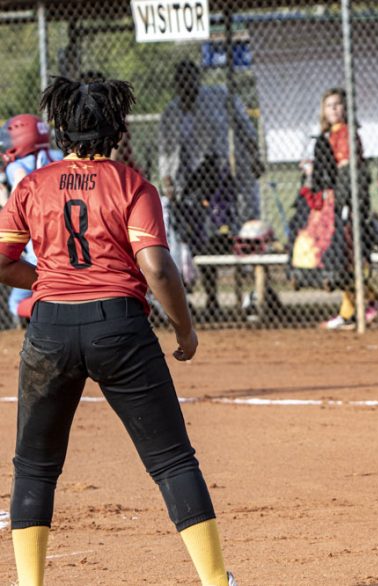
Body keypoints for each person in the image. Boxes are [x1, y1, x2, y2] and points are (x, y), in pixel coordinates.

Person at [0, 76, 236, 585]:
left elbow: (2, 261)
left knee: (35, 467)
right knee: (173, 460)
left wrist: (47, 280)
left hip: (50, 329)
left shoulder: (31, 185)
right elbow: (156, 267)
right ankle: (217, 581)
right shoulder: (132, 183)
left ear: (62, 128)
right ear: (117, 128)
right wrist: (185, 331)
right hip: (119, 325)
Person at [158, 59, 261, 318]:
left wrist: (253, 150)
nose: (187, 86)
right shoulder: (172, 112)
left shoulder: (217, 97)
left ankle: (245, 294)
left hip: (218, 176)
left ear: (198, 80)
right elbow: (165, 150)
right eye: (182, 82)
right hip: (189, 183)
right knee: (194, 238)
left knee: (222, 234)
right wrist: (167, 178)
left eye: (191, 80)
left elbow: (243, 124)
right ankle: (208, 296)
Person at [300, 88, 378, 330]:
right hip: (334, 200)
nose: (334, 110)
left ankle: (370, 300)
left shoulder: (346, 133)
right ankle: (349, 310)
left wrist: (345, 202)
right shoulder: (328, 134)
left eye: (338, 105)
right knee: (339, 256)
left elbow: (347, 171)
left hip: (346, 199)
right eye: (329, 106)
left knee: (345, 254)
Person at [0, 114, 63, 324]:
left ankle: (56, 308)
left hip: (42, 245)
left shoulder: (16, 167)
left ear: (23, 138)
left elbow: (21, 193)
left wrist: (4, 200)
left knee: (16, 304)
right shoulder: (59, 155)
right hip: (73, 237)